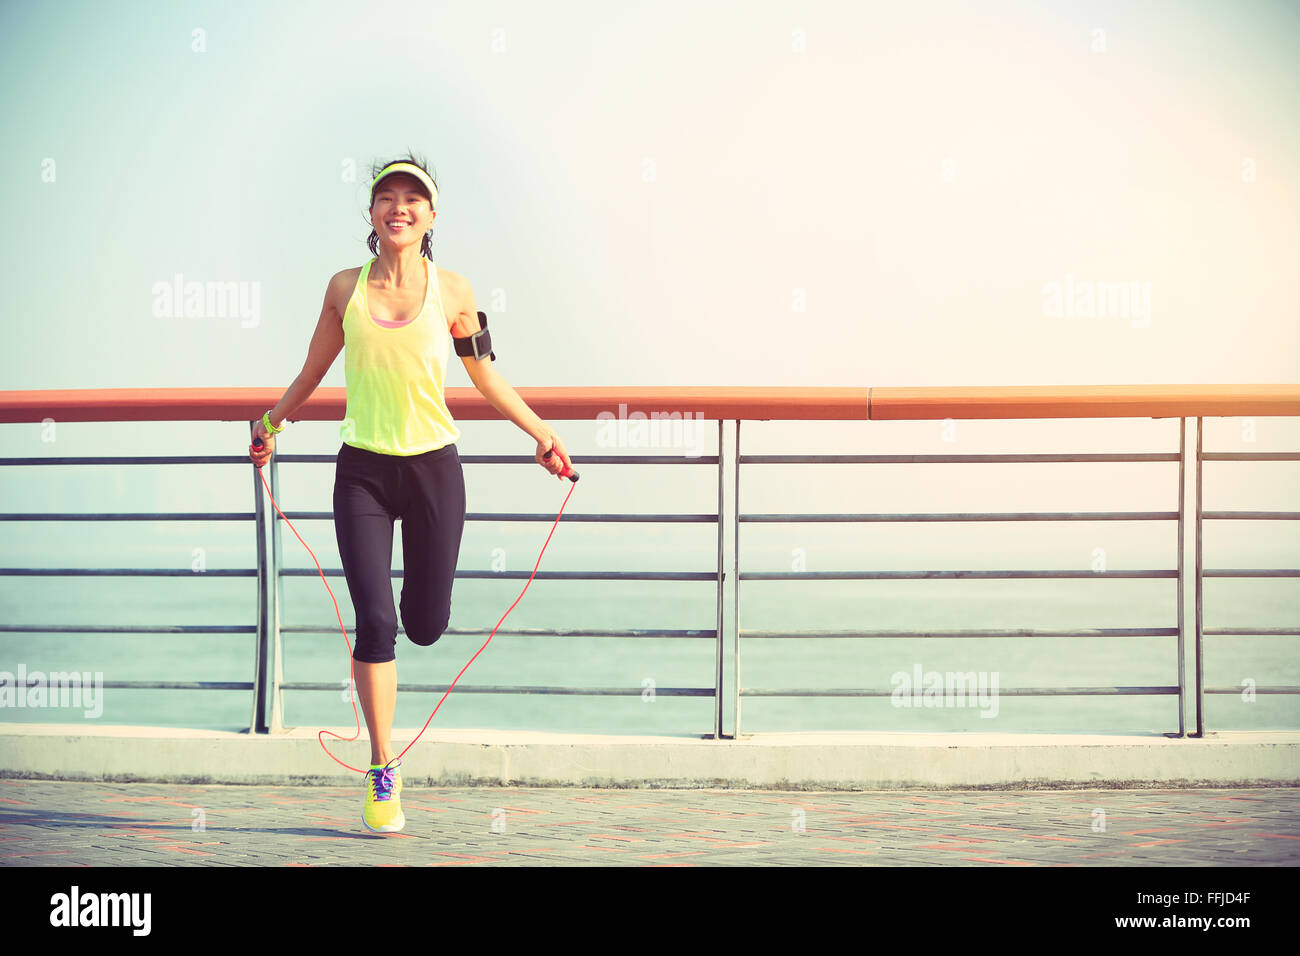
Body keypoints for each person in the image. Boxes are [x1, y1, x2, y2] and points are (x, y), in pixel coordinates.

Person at [247, 153, 574, 833]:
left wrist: (540, 432)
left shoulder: (453, 290)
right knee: (375, 623)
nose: (400, 207)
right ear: (371, 215)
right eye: (387, 198)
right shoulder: (344, 287)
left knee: (424, 624)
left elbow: (486, 376)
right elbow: (313, 368)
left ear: (431, 216)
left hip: (434, 471)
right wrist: (271, 421)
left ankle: (413, 620)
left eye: (413, 198)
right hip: (362, 471)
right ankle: (383, 768)